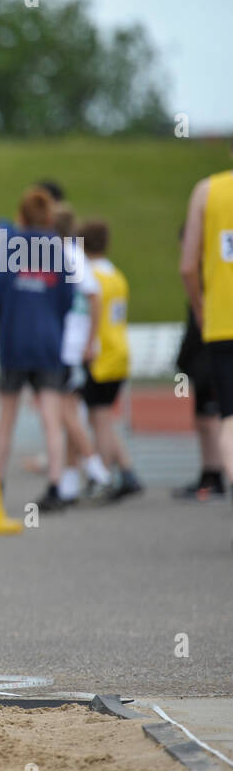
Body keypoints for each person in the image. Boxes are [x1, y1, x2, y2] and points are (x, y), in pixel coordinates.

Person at [0, 187, 76, 510]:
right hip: (48, 343)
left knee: (6, 417)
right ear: (49, 217)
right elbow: (67, 298)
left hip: (14, 342)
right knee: (52, 418)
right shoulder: (59, 249)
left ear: (20, 216)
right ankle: (55, 486)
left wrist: (5, 319)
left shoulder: (8, 246)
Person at [179, 148, 233, 532]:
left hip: (222, 323)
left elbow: (187, 266)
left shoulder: (207, 191)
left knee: (228, 419)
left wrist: (201, 307)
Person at [51, 202, 112, 504]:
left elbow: (94, 297)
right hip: (74, 344)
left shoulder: (64, 255)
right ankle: (70, 481)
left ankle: (95, 467)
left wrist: (88, 342)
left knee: (63, 412)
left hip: (69, 347)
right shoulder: (72, 254)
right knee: (70, 412)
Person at [78, 219, 142, 501]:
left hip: (99, 353)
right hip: (119, 350)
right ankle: (127, 470)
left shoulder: (90, 277)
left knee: (100, 418)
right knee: (101, 416)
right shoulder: (116, 275)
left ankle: (103, 474)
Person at [173, 222, 227, 501]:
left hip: (211, 357)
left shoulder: (208, 274)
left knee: (215, 420)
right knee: (204, 419)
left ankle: (216, 474)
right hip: (200, 358)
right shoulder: (201, 275)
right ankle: (209, 473)